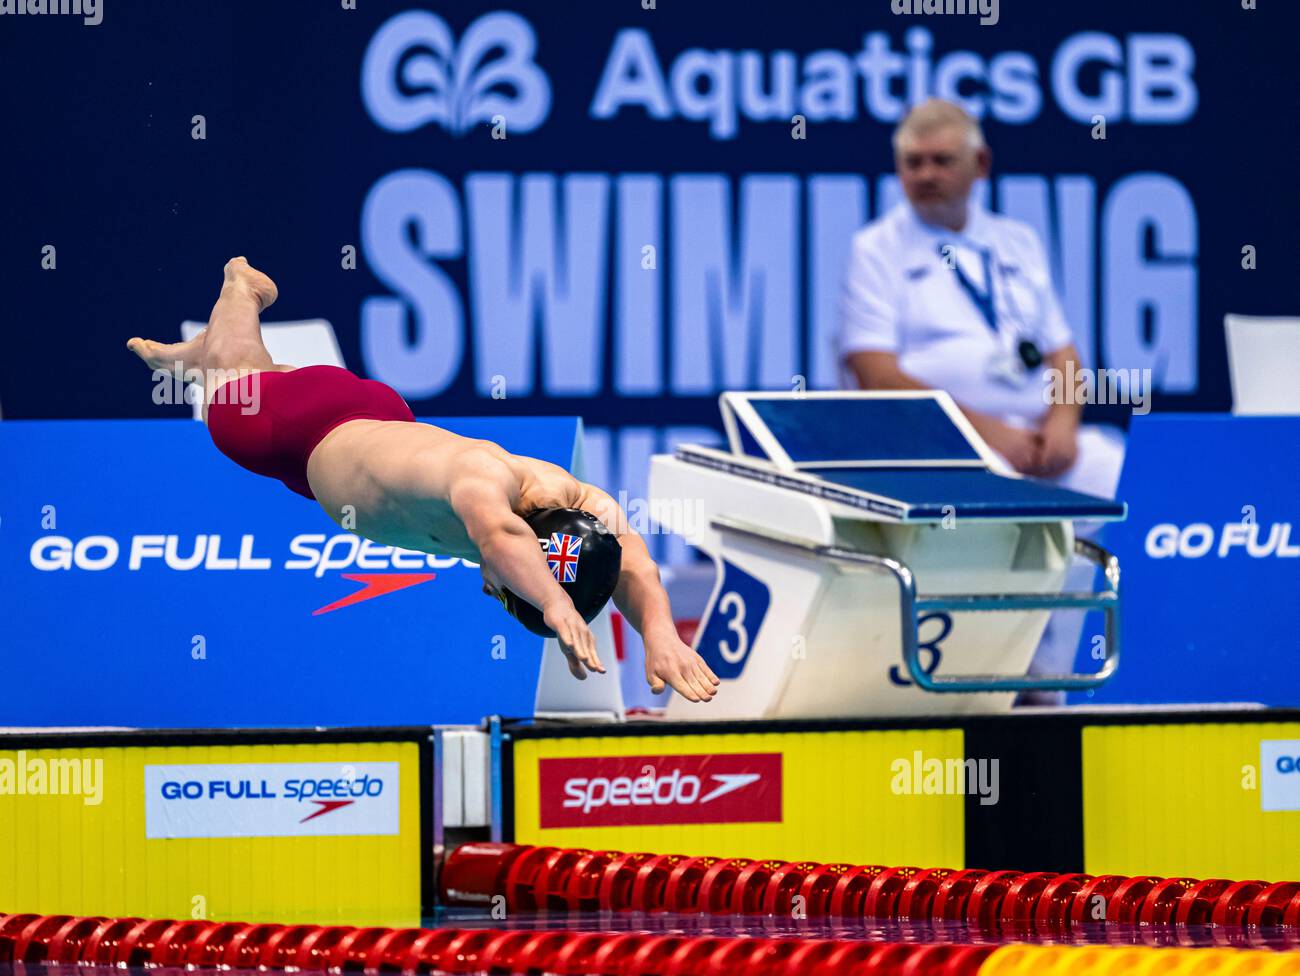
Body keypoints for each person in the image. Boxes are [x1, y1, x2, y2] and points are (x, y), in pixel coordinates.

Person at [128, 257, 719, 703]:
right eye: (507, 595)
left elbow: (626, 551)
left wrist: (658, 633)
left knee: (246, 378)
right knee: (233, 405)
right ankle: (241, 291)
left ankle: (204, 354)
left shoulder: (563, 493)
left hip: (372, 427)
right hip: (312, 429)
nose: (492, 593)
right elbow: (501, 541)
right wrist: (555, 606)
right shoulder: (485, 485)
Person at [837, 98, 1125, 696]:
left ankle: (1083, 664)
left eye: (942, 160)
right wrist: (995, 434)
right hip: (940, 437)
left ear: (981, 164)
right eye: (912, 162)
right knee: (995, 484)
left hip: (1034, 432)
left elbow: (1064, 355)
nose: (925, 175)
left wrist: (1064, 424)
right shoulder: (877, 248)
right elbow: (873, 371)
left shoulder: (1017, 242)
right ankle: (1009, 673)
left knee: (1117, 470)